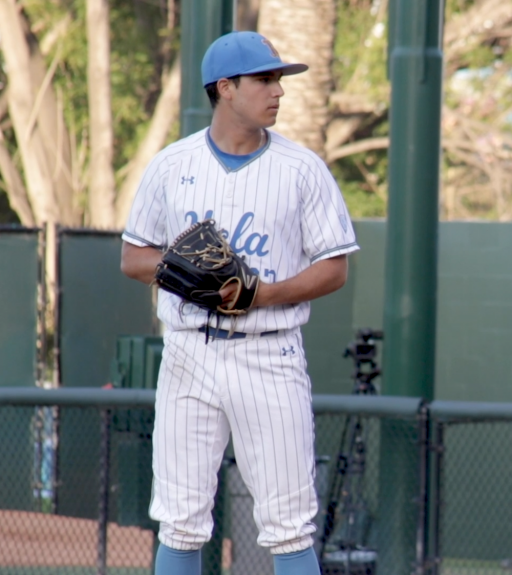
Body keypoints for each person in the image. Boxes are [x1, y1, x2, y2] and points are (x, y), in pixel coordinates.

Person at [120, 30, 358, 575]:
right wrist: (189, 279)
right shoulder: (171, 165)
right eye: (265, 79)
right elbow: (133, 258)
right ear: (225, 87)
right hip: (188, 351)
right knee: (179, 520)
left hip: (268, 353)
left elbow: (335, 268)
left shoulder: (302, 169)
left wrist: (261, 294)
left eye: (279, 79)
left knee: (289, 523)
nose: (279, 90)